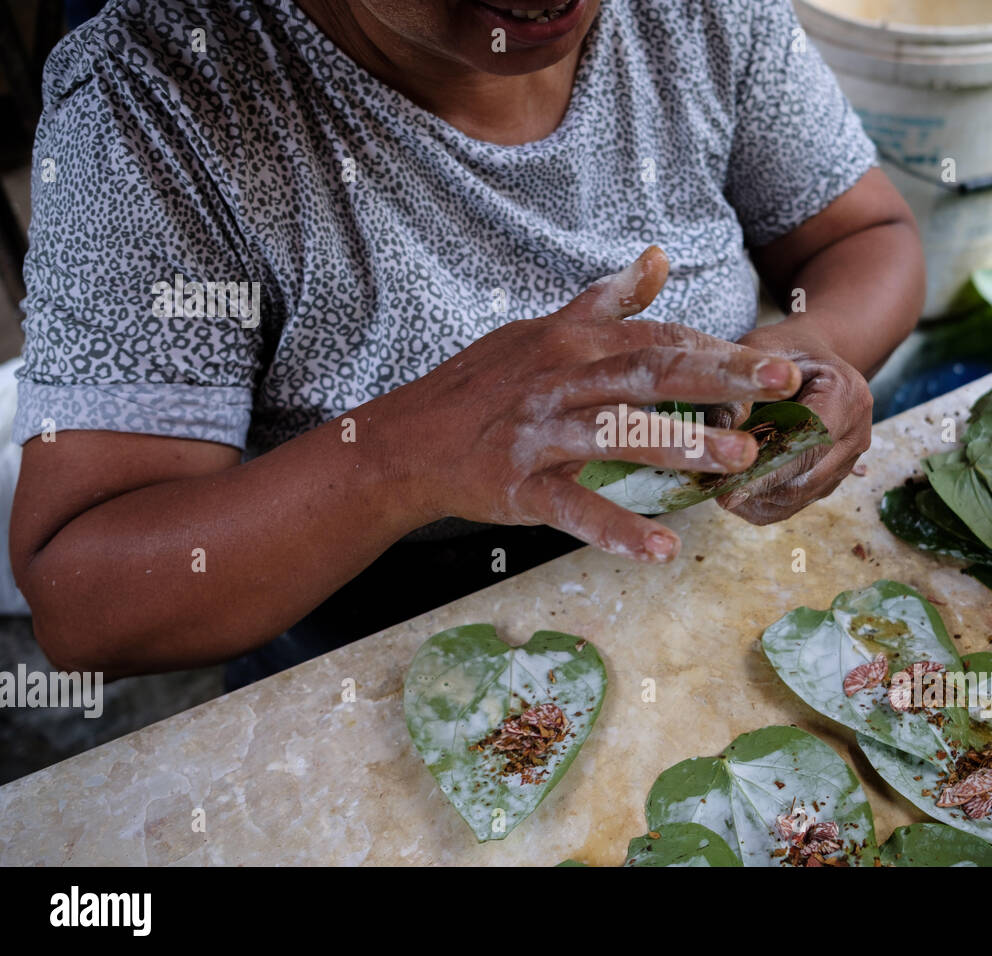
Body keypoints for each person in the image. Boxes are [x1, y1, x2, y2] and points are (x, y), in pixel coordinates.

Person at [9, 0, 925, 685]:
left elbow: (860, 239)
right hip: (398, 664)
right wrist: (403, 459)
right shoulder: (156, 103)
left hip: (695, 582)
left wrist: (802, 357)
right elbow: (84, 599)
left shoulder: (697, 16)